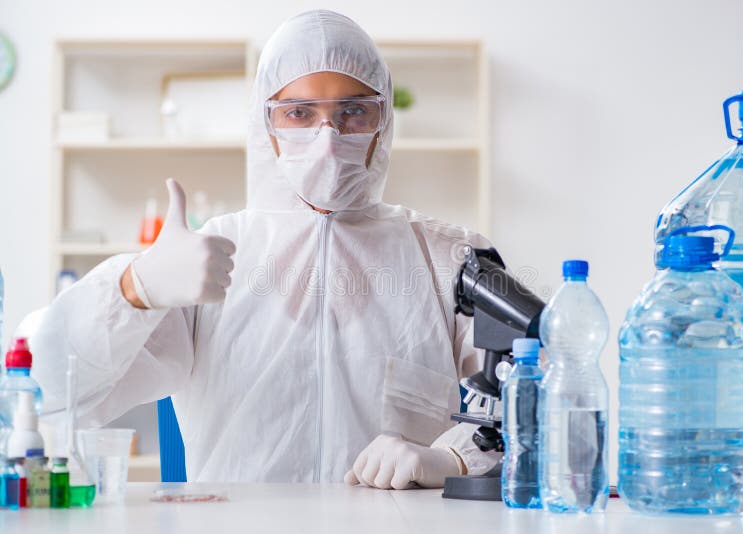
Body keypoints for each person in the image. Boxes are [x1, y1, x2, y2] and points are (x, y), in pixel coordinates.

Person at [28, 9, 500, 488]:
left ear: (382, 118)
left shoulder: (448, 256)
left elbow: (540, 394)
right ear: (266, 124)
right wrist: (133, 289)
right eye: (299, 112)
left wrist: (456, 459)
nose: (327, 138)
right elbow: (52, 393)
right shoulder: (208, 258)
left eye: (353, 111)